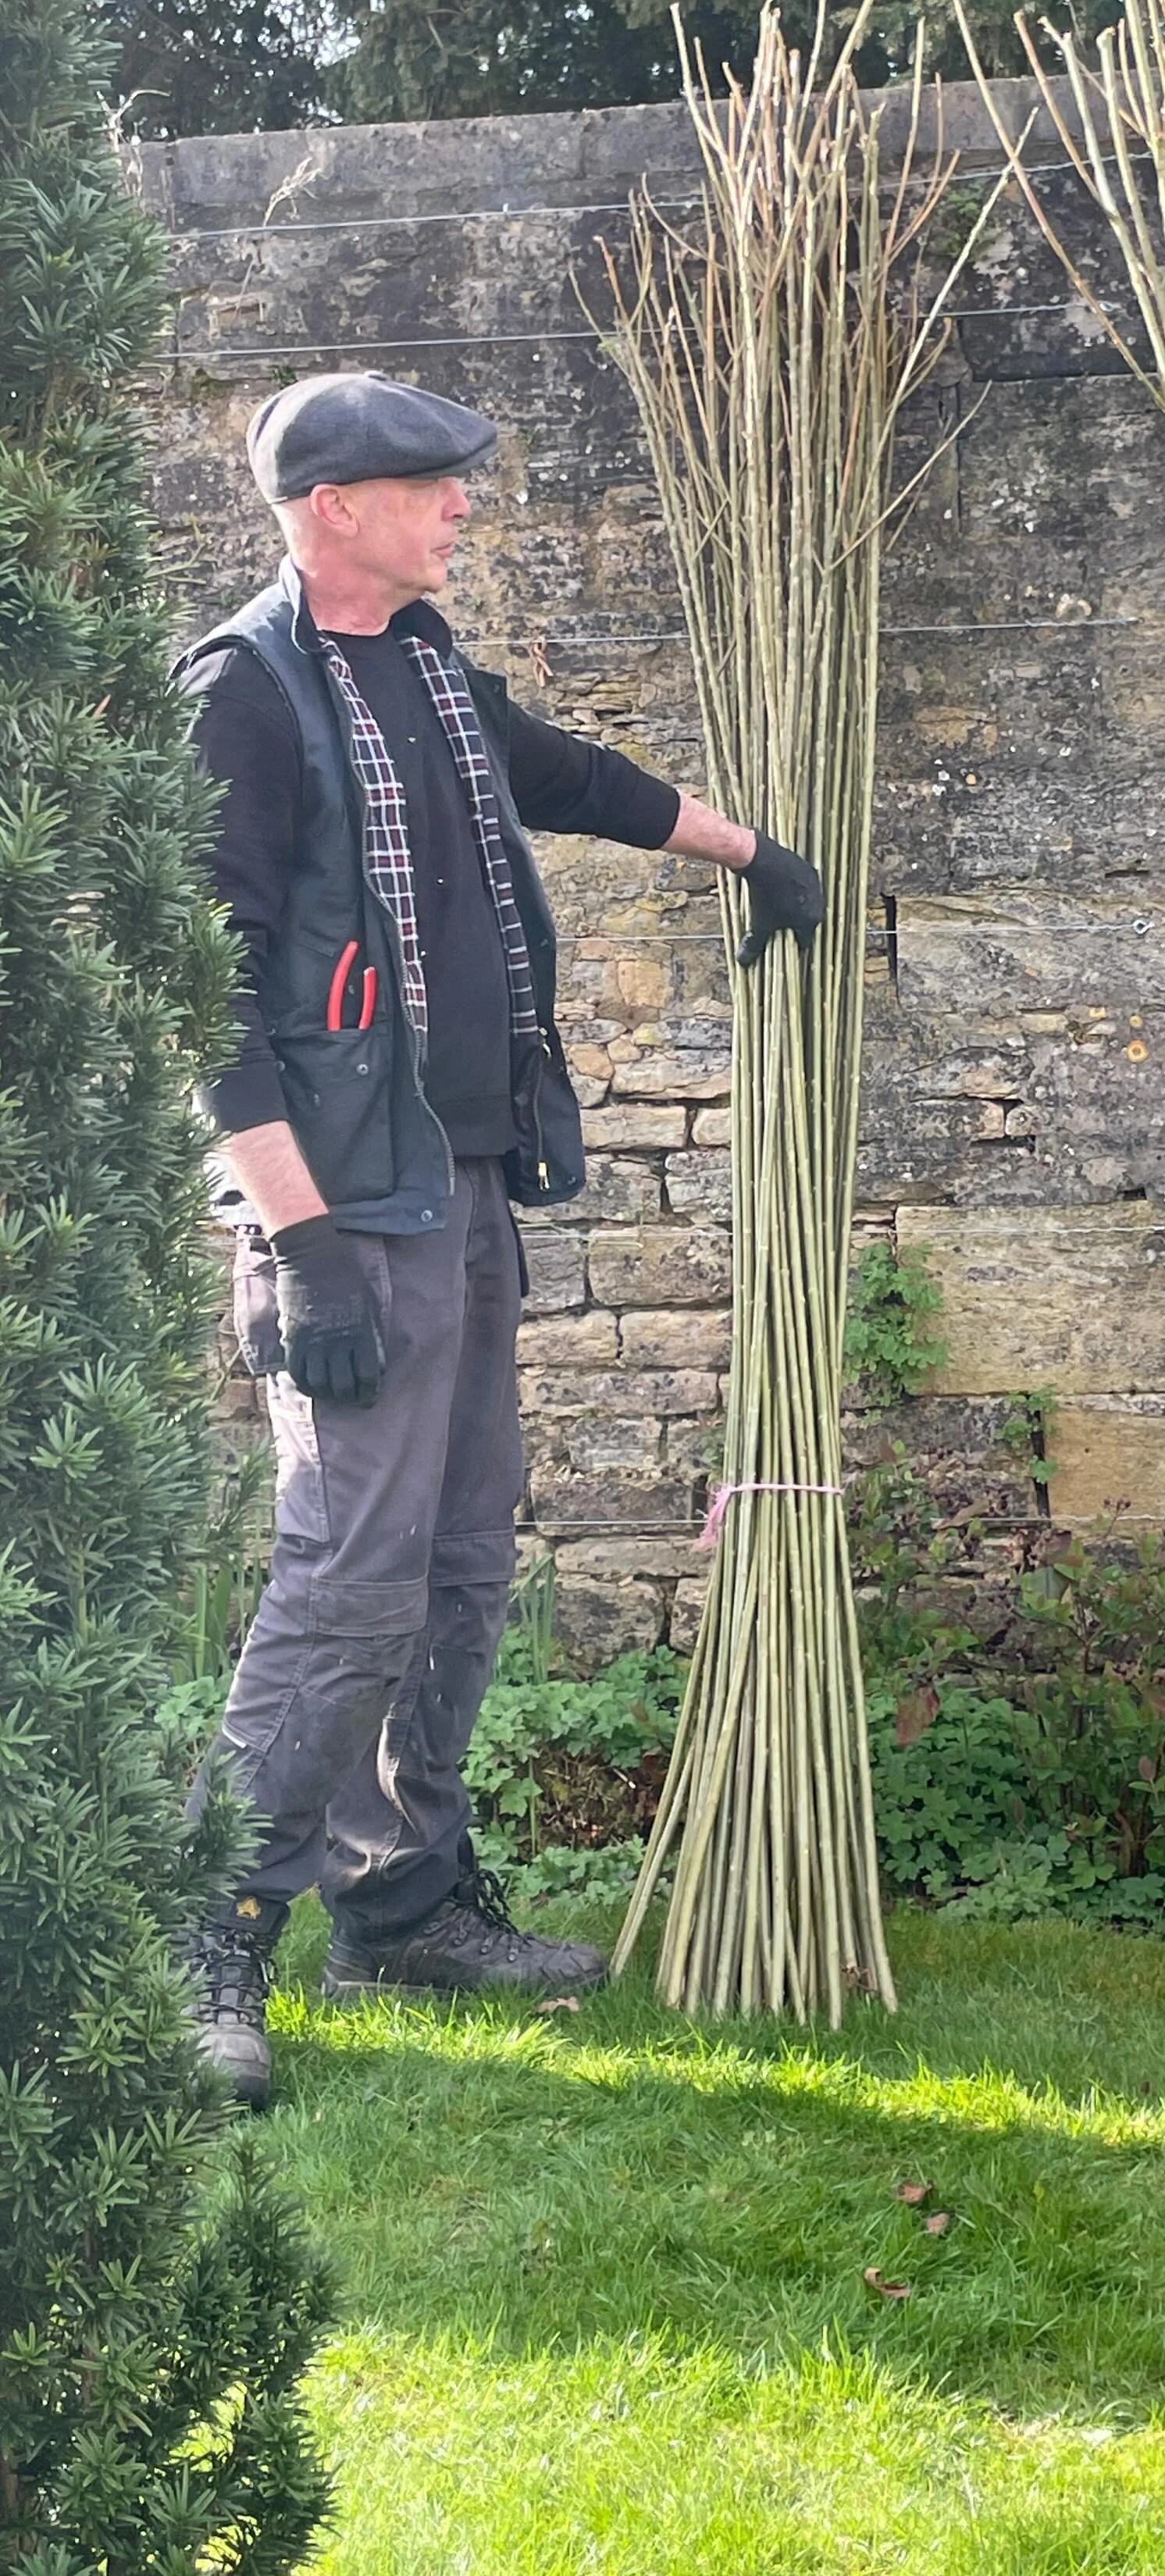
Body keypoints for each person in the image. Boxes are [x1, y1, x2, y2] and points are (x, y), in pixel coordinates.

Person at [176, 369, 822, 2106]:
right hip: (343, 1208)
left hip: (461, 1183)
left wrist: (745, 852)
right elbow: (202, 993)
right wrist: (301, 1242)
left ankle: (403, 1907)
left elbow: (563, 777)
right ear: (335, 507)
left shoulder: (429, 670)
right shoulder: (245, 694)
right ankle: (211, 1927)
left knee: (462, 1558)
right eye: (434, 484)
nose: (466, 504)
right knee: (349, 1571)